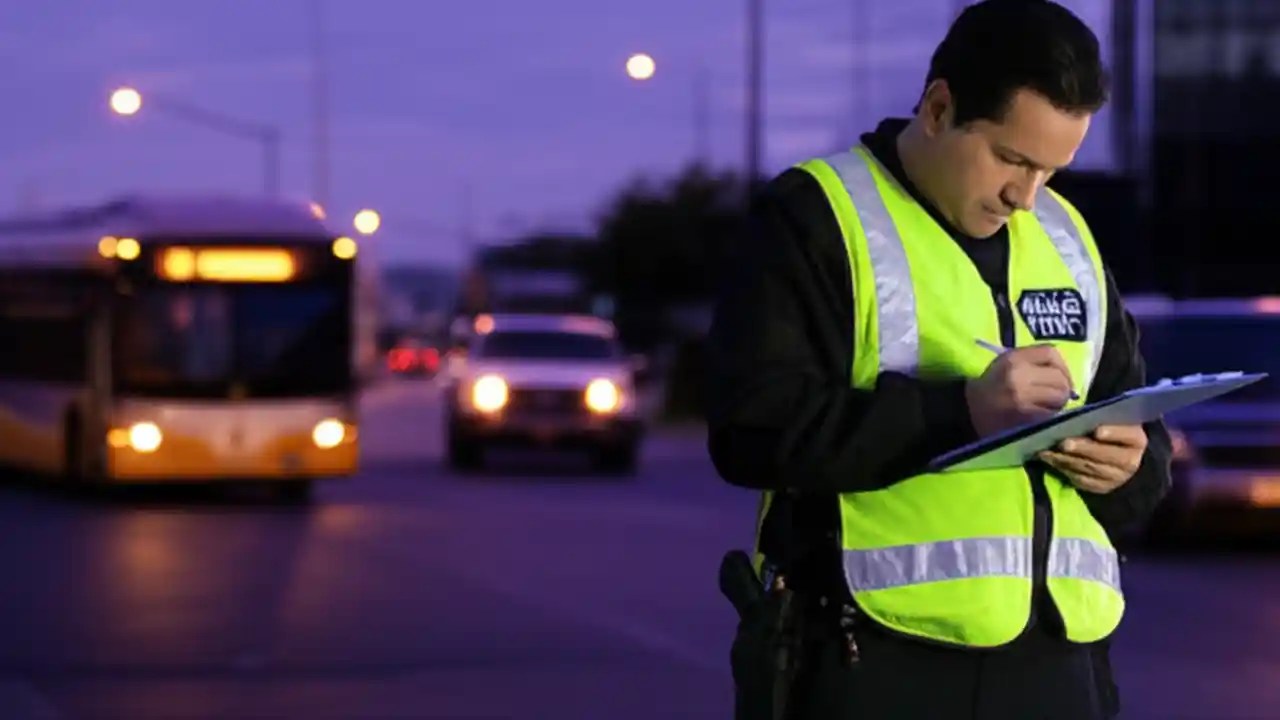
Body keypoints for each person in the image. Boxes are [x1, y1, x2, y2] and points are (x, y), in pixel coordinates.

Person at [705, 1, 1174, 718]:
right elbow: (750, 430)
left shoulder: (1068, 237)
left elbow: (1141, 450)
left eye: (1052, 170)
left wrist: (1130, 468)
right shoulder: (817, 217)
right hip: (872, 660)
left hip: (1057, 668)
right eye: (1012, 159)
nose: (1026, 196)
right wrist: (961, 413)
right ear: (938, 106)